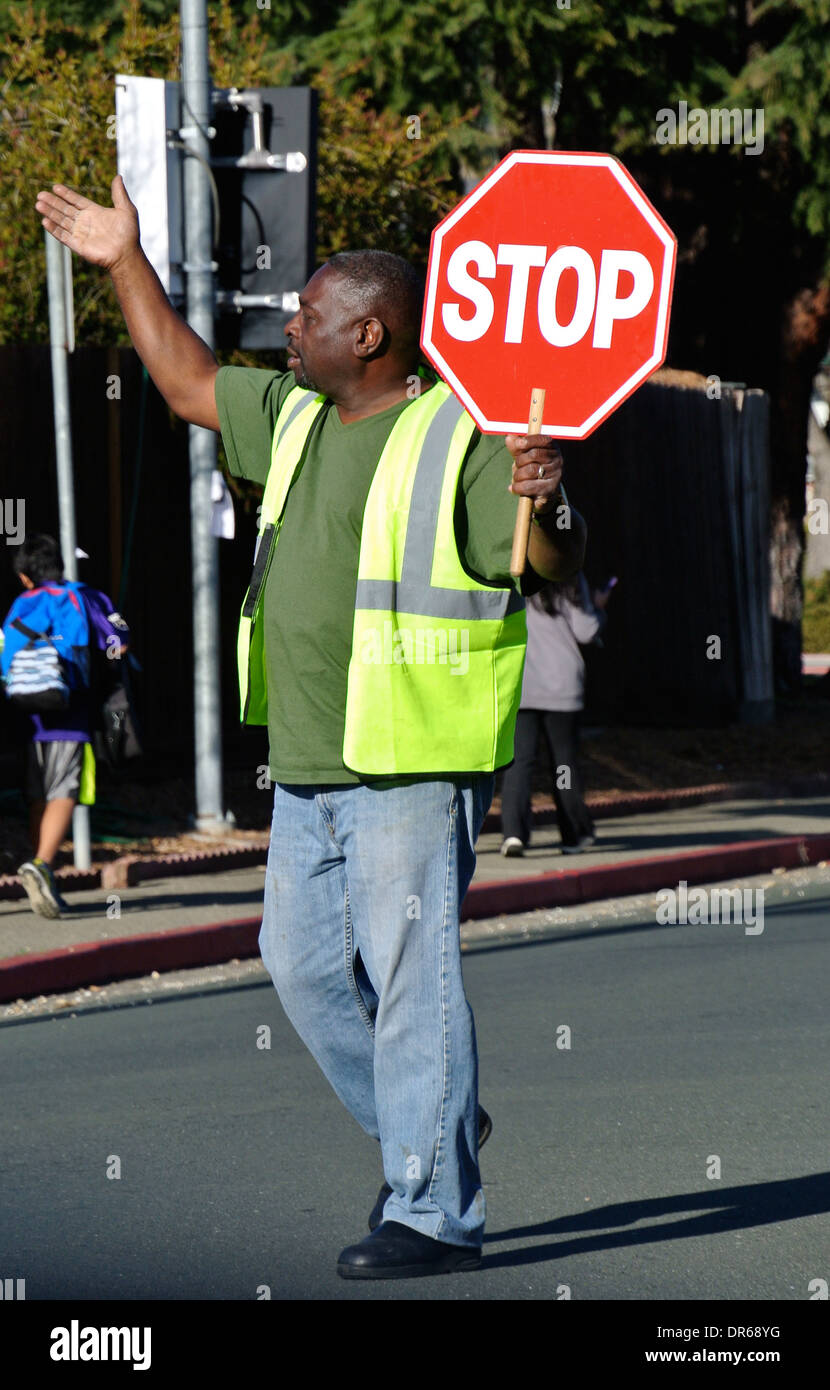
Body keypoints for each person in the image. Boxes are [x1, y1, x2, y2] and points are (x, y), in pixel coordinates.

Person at [34, 176, 587, 1279]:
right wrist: (123, 263)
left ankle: (432, 1210)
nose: (289, 324)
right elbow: (190, 382)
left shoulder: (460, 435)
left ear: (368, 332)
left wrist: (552, 495)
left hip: (410, 763)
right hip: (305, 763)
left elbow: (543, 566)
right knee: (299, 968)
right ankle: (434, 1127)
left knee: (410, 978)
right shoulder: (293, 418)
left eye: (308, 312)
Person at [1, 534, 129, 918]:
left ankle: (44, 875)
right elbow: (118, 640)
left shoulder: (20, 604)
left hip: (27, 717)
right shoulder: (83, 596)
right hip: (70, 716)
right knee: (66, 790)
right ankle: (40, 865)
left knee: (38, 794)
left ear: (26, 577)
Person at [499, 573, 610, 857]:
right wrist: (598, 607)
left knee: (518, 762)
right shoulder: (570, 580)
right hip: (561, 683)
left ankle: (513, 833)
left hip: (521, 683)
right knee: (564, 764)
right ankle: (573, 834)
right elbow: (586, 630)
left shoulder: (513, 578)